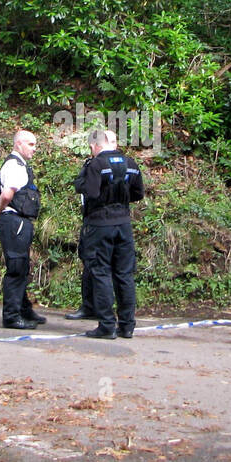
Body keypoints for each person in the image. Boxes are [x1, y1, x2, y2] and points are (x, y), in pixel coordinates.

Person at [73, 129, 144, 339]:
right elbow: (138, 193)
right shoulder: (131, 163)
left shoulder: (96, 164)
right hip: (123, 223)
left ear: (96, 145)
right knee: (124, 274)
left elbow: (92, 192)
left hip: (100, 224)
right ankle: (127, 325)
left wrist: (82, 184)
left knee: (101, 272)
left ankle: (106, 325)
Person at [0, 130, 46, 330]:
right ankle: (11, 316)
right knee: (17, 268)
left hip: (17, 221)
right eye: (31, 144)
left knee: (22, 266)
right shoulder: (14, 165)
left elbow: (4, 195)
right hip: (15, 222)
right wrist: (0, 209)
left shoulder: (18, 165)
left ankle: (24, 309)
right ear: (19, 144)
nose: (34, 149)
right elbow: (7, 194)